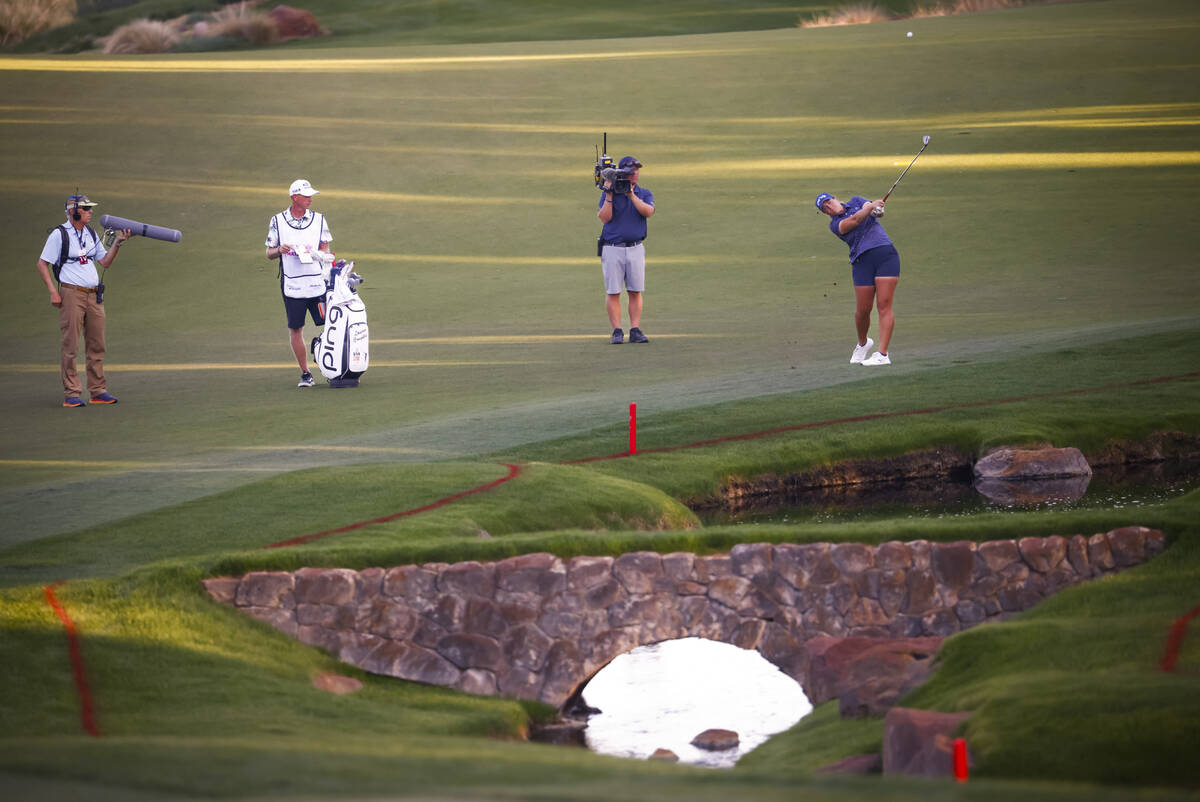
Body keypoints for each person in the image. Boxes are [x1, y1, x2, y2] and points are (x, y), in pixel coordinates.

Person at [36, 194, 132, 407]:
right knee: (71, 344)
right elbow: (42, 263)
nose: (90, 212)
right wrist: (53, 291)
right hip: (71, 294)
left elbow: (104, 262)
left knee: (97, 343)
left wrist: (118, 243)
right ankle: (72, 392)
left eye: (90, 208)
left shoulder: (90, 232)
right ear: (74, 211)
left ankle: (98, 390)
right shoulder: (59, 235)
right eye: (86, 208)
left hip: (94, 294)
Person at [816, 192, 899, 366]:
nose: (830, 207)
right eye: (825, 208)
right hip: (862, 262)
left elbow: (877, 213)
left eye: (829, 202)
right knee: (863, 310)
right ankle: (863, 343)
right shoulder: (835, 225)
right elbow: (854, 221)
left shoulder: (857, 201)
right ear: (825, 213)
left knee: (884, 305)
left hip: (885, 254)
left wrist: (877, 209)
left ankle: (882, 354)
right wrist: (870, 207)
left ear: (835, 198)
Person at [265, 179, 332, 387]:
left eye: (311, 195)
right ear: (295, 198)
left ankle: (332, 363)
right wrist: (280, 251)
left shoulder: (320, 219)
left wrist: (321, 257)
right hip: (293, 285)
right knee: (296, 329)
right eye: (306, 196)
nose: (310, 199)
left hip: (316, 283)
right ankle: (306, 373)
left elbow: (326, 249)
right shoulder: (277, 221)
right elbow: (269, 252)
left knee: (330, 323)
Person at [598, 156, 655, 344]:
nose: (635, 173)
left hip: (635, 248)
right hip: (613, 248)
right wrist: (608, 193)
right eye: (631, 171)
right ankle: (616, 331)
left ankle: (635, 329)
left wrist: (631, 195)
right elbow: (604, 218)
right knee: (613, 291)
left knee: (635, 290)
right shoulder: (610, 193)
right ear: (621, 173)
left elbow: (648, 212)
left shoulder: (644, 193)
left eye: (637, 170)